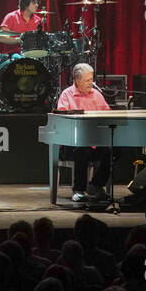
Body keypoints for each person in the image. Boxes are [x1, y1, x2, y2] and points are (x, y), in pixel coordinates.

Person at [55, 63, 113, 203]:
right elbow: (62, 119)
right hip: (72, 143)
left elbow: (108, 114)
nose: (91, 83)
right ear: (76, 80)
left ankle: (96, 186)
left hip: (95, 141)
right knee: (83, 150)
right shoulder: (67, 95)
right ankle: (79, 189)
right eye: (87, 80)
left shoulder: (97, 95)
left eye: (91, 79)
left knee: (113, 150)